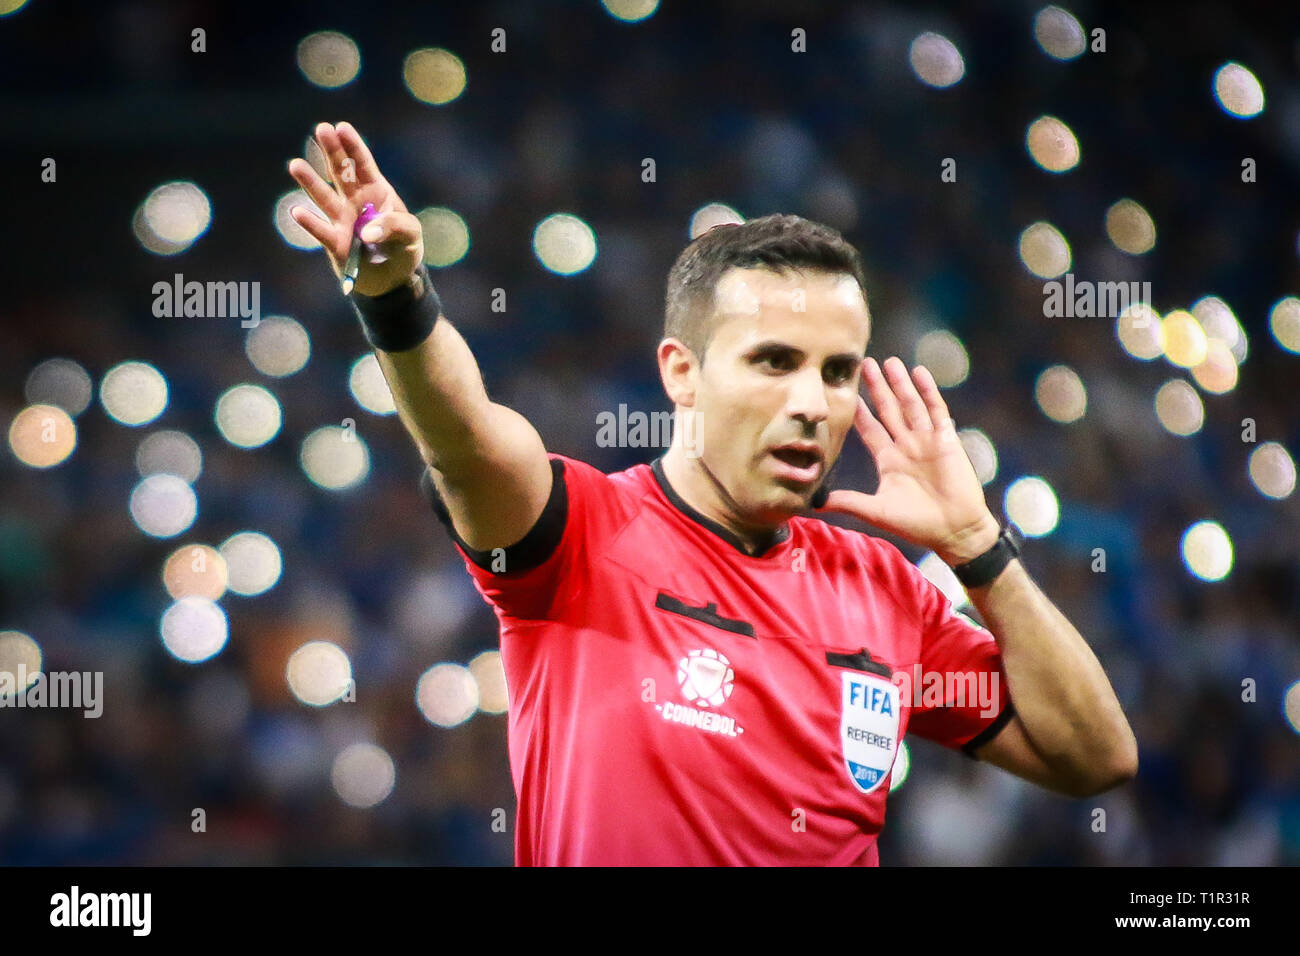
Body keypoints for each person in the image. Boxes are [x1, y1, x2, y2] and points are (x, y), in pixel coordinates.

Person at [288, 121, 1138, 866]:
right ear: (682, 373)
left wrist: (980, 549)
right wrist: (395, 296)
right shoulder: (579, 538)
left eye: (838, 372)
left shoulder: (888, 594)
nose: (813, 401)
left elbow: (1094, 756)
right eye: (774, 361)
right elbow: (467, 439)